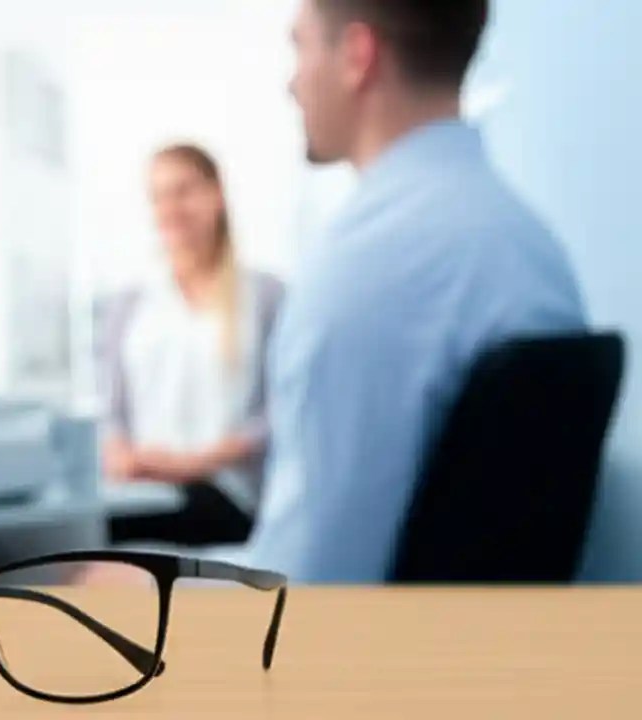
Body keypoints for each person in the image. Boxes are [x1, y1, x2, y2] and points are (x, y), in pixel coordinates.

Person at [236, 0, 587, 582]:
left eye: (299, 46)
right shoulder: (529, 242)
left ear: (357, 56)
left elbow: (306, 595)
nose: (291, 82)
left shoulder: (361, 269)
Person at [98, 144, 285, 547]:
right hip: (145, 488)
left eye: (183, 191)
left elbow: (282, 410)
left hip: (230, 491)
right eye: (158, 196)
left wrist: (196, 462)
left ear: (216, 195)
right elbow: (112, 413)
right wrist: (120, 454)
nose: (171, 208)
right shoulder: (129, 305)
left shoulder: (267, 298)